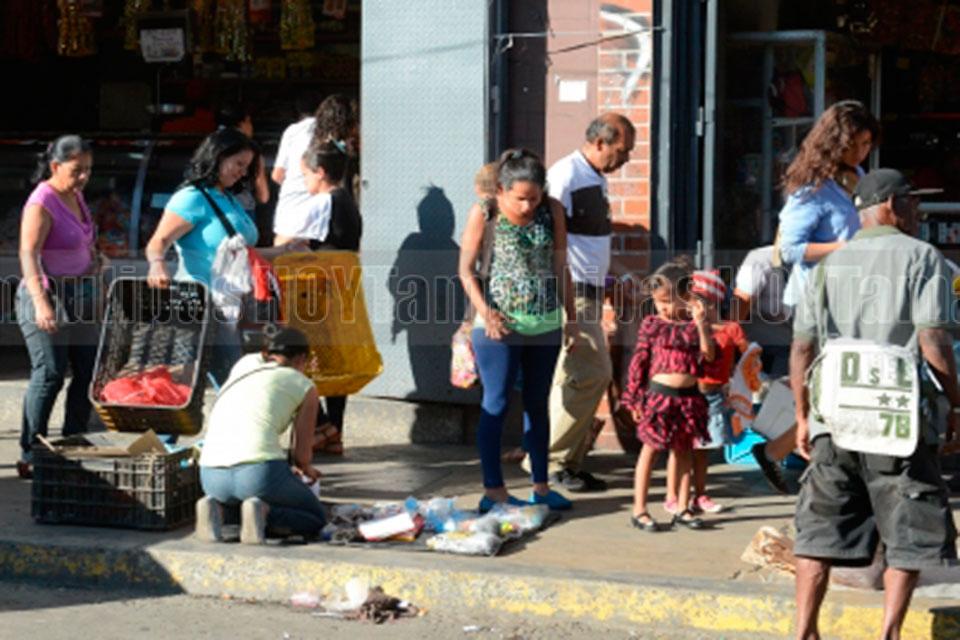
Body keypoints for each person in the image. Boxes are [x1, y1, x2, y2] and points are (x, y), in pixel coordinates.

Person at [790, 169, 959, 640]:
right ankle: (888, 633)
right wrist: (956, 405)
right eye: (910, 200)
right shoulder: (925, 258)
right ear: (887, 204)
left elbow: (802, 347)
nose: (917, 209)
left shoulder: (828, 267)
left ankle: (804, 630)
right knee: (909, 530)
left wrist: (804, 415)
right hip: (898, 420)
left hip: (834, 419)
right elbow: (933, 339)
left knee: (818, 530)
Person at [522, 113, 636, 494]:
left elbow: (589, 241)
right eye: (622, 150)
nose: (625, 159)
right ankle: (550, 459)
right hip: (573, 293)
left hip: (589, 289)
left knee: (573, 375)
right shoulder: (566, 176)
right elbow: (550, 238)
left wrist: (616, 273)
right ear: (600, 142)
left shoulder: (593, 177)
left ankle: (559, 462)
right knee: (592, 372)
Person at [459, 149, 577, 513]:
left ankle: (541, 487)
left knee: (538, 404)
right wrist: (486, 313)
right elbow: (465, 270)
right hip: (498, 327)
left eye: (533, 197)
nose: (527, 206)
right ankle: (493, 490)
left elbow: (560, 266)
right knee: (496, 402)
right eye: (519, 198)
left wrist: (570, 317)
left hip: (544, 322)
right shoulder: (484, 212)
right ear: (501, 190)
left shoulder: (553, 211)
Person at [145, 128, 297, 386]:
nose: (242, 171)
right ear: (218, 157)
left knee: (207, 381)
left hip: (228, 305)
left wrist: (285, 250)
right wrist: (157, 265)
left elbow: (242, 252)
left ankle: (173, 426)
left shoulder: (228, 197)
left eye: (246, 167)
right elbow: (157, 241)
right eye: (238, 164)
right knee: (218, 380)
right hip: (197, 303)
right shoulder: (191, 198)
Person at [16, 135, 102, 479]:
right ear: (55, 166)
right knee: (50, 374)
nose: (83, 177)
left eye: (88, 171)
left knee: (87, 372)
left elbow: (83, 239)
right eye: (76, 170)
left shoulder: (76, 195)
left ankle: (72, 443)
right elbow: (29, 254)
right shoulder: (42, 202)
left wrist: (96, 260)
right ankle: (31, 451)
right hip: (48, 295)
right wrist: (41, 303)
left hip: (81, 294)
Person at [196, 328, 326, 544]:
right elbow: (302, 457)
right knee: (316, 516)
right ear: (301, 358)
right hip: (258, 474)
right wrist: (306, 469)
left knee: (237, 499)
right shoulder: (304, 386)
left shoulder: (244, 364)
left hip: (210, 475)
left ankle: (216, 509)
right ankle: (265, 513)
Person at [276, 138, 363, 455]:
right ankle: (334, 431)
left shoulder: (321, 203)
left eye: (306, 176)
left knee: (301, 360)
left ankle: (320, 427)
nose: (305, 183)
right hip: (341, 291)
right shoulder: (349, 202)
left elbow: (286, 240)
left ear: (321, 172)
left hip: (316, 294)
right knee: (333, 362)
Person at [622, 261, 714, 531]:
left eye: (666, 301)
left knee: (684, 451)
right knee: (650, 450)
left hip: (688, 398)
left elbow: (708, 356)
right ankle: (639, 509)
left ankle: (683, 507)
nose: (661, 307)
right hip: (659, 397)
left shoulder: (693, 326)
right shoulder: (652, 324)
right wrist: (634, 397)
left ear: (685, 297)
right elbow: (638, 362)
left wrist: (701, 325)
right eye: (657, 301)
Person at [778, 99, 879, 310]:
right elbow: (789, 250)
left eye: (866, 144)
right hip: (813, 301)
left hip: (850, 295)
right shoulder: (810, 188)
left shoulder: (859, 174)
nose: (860, 153)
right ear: (833, 143)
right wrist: (844, 248)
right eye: (852, 145)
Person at [664, 270, 748, 515]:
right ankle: (673, 495)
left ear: (708, 302)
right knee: (679, 450)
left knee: (703, 450)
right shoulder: (685, 328)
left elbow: (748, 354)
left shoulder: (729, 329)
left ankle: (700, 494)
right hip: (687, 394)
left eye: (691, 300)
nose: (688, 306)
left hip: (713, 397)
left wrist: (748, 364)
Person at [732, 245, 795, 493]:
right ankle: (773, 450)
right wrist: (734, 348)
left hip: (797, 341)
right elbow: (741, 303)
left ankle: (775, 450)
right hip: (765, 344)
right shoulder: (760, 259)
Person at [215, 103, 270, 209]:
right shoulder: (250, 150)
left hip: (212, 207)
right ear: (243, 123)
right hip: (242, 209)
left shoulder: (210, 146)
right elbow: (263, 196)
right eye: (249, 122)